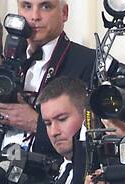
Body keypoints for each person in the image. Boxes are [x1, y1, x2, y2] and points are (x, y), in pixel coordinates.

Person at [14, 0, 95, 159]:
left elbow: (94, 136)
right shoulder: (9, 61)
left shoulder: (90, 62)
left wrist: (36, 123)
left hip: (58, 177)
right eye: (27, 6)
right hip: (4, 169)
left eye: (45, 6)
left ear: (64, 13)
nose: (35, 16)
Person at [36, 75, 85, 184]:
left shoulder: (99, 173)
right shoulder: (47, 175)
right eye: (48, 123)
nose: (54, 132)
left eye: (62, 119)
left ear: (86, 116)